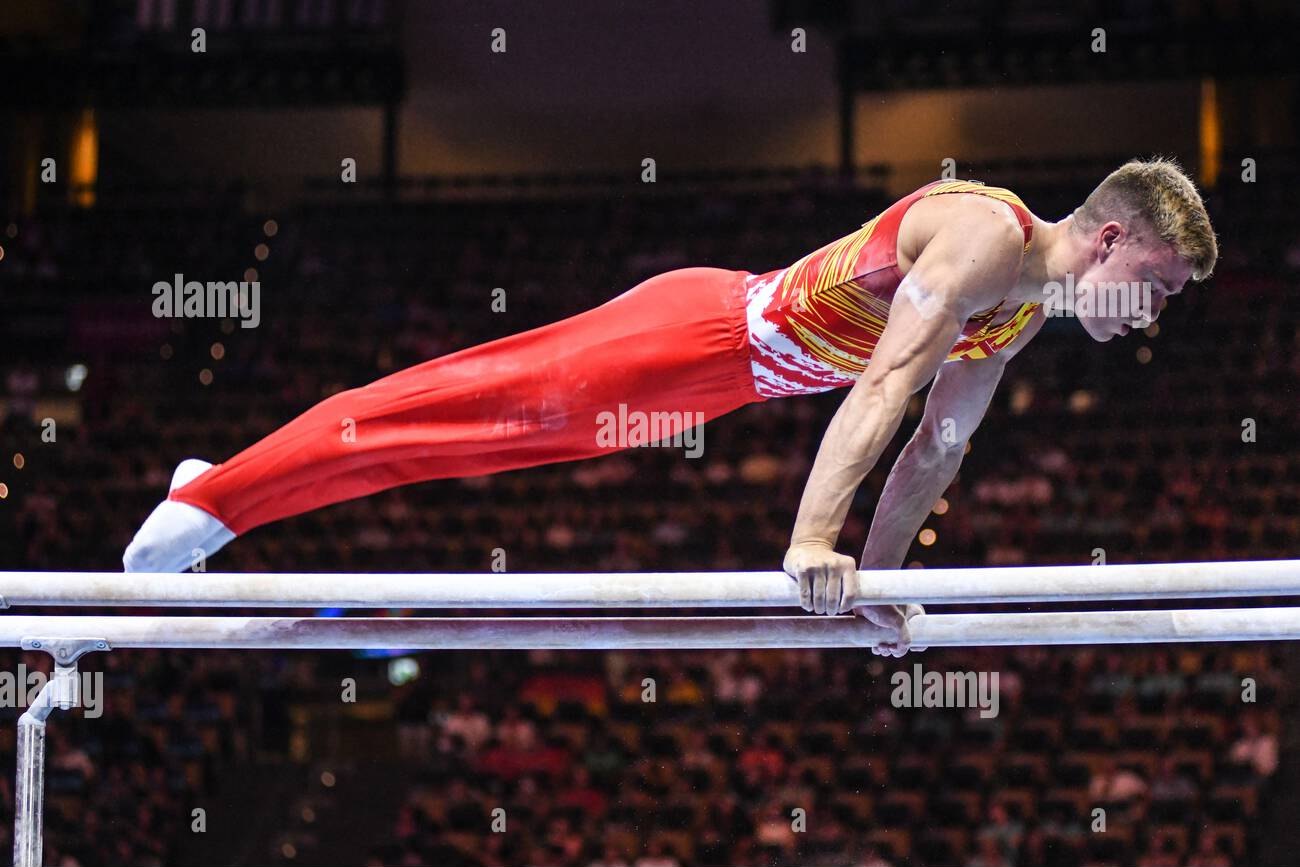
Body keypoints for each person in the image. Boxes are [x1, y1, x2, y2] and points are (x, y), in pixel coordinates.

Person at [124, 160, 1217, 655]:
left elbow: (934, 445)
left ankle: (227, 487)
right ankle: (213, 496)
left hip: (721, 385)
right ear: (1111, 238)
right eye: (1158, 284)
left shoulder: (1015, 313)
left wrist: (879, 587)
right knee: (449, 413)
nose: (1151, 313)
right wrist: (809, 542)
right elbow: (886, 383)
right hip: (693, 335)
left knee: (464, 450)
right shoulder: (983, 234)